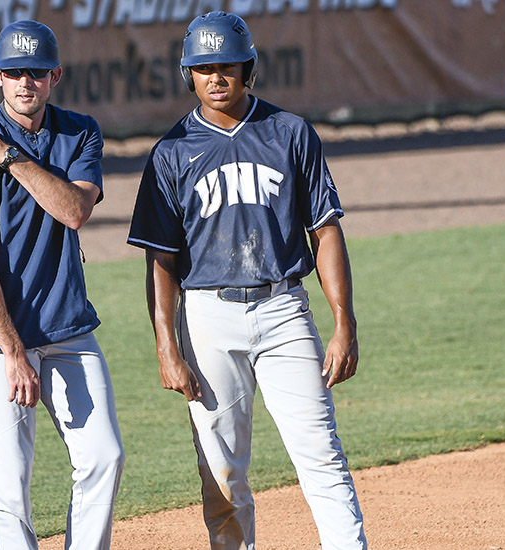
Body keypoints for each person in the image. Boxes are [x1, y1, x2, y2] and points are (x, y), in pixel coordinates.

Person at [127, 11, 368, 550]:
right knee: (222, 474)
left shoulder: (290, 133)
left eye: (227, 66)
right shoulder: (172, 152)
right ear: (188, 73)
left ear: (248, 67)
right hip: (207, 318)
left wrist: (343, 324)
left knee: (321, 453)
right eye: (203, 67)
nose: (216, 77)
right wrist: (166, 345)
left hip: (285, 310)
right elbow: (160, 262)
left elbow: (325, 232)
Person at [0, 19, 124, 550]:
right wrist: (13, 350)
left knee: (104, 456)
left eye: (37, 73)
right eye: (15, 72)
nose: (26, 83)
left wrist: (11, 157)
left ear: (55, 76)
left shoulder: (79, 131)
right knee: (9, 484)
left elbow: (74, 210)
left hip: (67, 326)